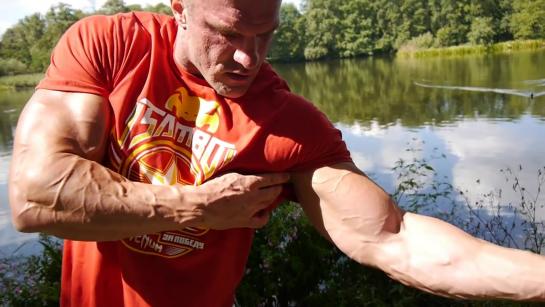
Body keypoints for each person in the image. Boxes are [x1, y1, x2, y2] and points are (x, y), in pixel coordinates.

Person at [8, 0, 545, 306]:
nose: (248, 57)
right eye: (228, 32)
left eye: (266, 35)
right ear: (180, 9)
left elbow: (396, 240)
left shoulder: (287, 124)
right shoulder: (111, 47)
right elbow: (35, 197)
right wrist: (196, 207)